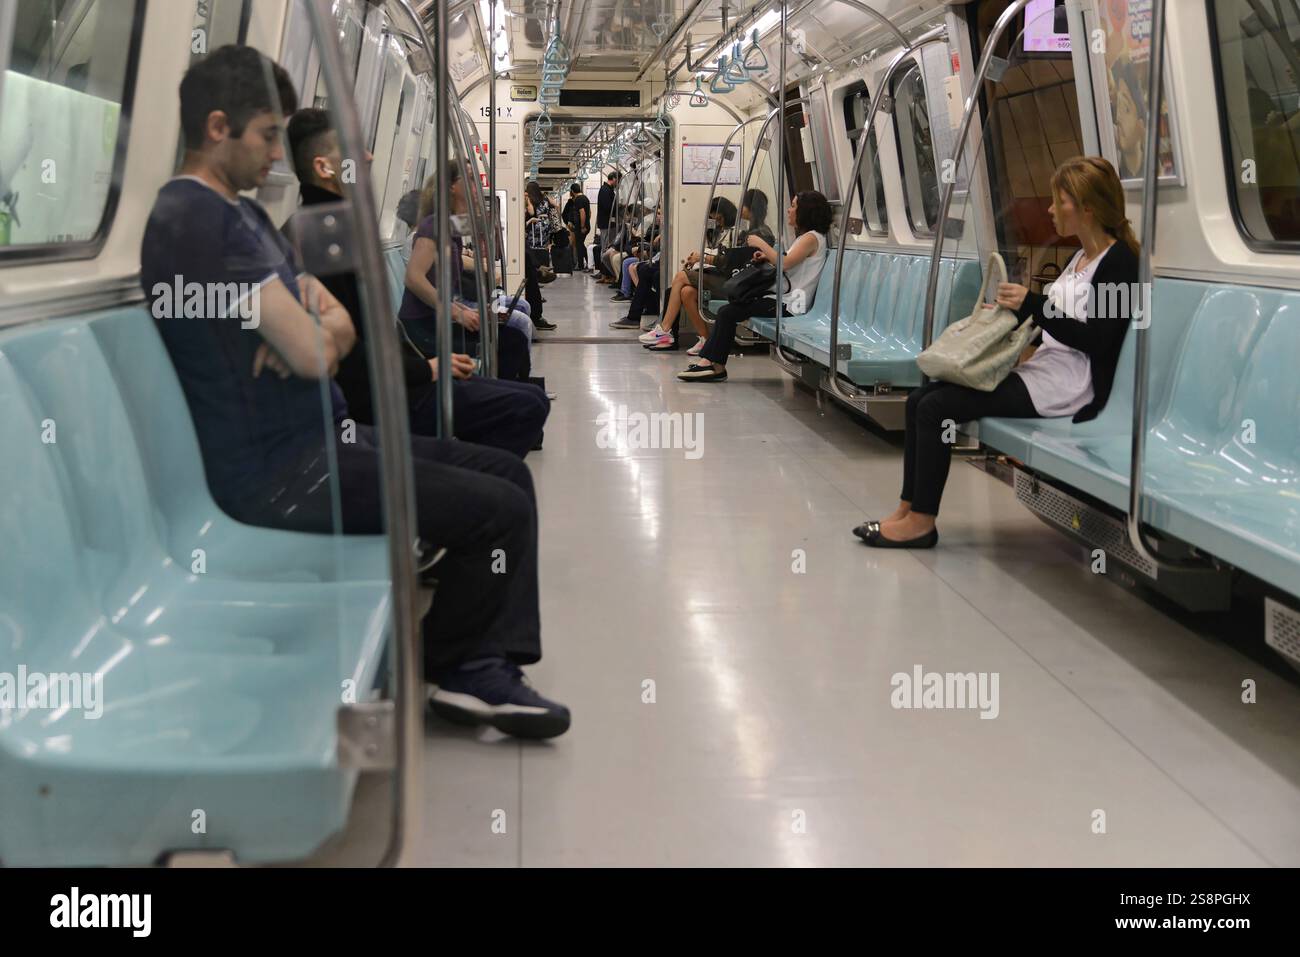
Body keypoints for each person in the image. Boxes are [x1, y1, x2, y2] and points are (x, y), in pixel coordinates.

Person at [142, 45, 569, 737]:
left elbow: (322, 326)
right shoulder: (197, 223)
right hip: (287, 471)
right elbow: (316, 348)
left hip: (327, 437)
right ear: (218, 128)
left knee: (507, 475)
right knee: (499, 509)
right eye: (267, 135)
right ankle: (463, 670)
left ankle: (464, 657)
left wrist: (316, 325)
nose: (276, 154)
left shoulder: (245, 217)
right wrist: (314, 327)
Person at [854, 156, 1141, 549]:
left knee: (937, 408)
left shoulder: (1120, 264)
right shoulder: (1079, 259)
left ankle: (922, 521)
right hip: (1046, 371)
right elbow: (1057, 330)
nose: (1051, 209)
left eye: (1060, 201)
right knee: (921, 398)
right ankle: (907, 508)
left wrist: (1034, 305)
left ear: (1087, 207)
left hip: (1070, 385)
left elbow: (1100, 340)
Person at [284, 109, 548, 458]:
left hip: (398, 374)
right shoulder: (325, 241)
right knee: (527, 406)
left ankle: (467, 465)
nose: (369, 156)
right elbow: (350, 356)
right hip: (383, 400)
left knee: (531, 398)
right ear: (324, 168)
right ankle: (468, 469)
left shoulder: (336, 230)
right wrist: (427, 367)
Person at [678, 190, 832, 381]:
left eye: (793, 206)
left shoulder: (811, 238)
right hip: (782, 299)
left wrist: (761, 245)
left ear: (805, 211)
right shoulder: (807, 238)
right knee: (730, 309)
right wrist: (767, 256)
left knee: (728, 312)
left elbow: (786, 264)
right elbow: (789, 262)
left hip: (790, 305)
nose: (789, 211)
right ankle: (711, 363)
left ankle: (713, 365)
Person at [639, 194, 740, 354]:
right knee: (687, 292)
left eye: (718, 218)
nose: (717, 222)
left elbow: (730, 262)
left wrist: (703, 257)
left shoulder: (737, 232)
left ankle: (665, 329)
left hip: (729, 281)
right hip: (719, 275)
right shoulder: (722, 232)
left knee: (680, 276)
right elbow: (719, 256)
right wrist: (701, 258)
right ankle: (705, 339)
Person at [523, 181, 557, 329]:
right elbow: (554, 206)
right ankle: (538, 269)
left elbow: (530, 213)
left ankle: (538, 269)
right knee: (532, 254)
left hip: (531, 230)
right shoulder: (544, 199)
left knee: (529, 251)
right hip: (541, 229)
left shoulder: (529, 200)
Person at [594, 169, 619, 274]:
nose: (618, 183)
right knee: (605, 247)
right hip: (606, 224)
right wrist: (618, 207)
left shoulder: (607, 190)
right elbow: (608, 207)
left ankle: (604, 272)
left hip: (606, 223)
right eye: (618, 181)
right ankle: (603, 272)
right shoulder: (605, 190)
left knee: (606, 246)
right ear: (613, 179)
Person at [564, 182, 591, 270]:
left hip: (581, 227)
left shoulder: (578, 199)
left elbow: (582, 212)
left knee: (579, 245)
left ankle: (581, 265)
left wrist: (582, 226)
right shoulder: (585, 198)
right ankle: (587, 263)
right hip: (585, 225)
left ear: (572, 191)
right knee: (580, 244)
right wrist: (587, 222)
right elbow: (589, 212)